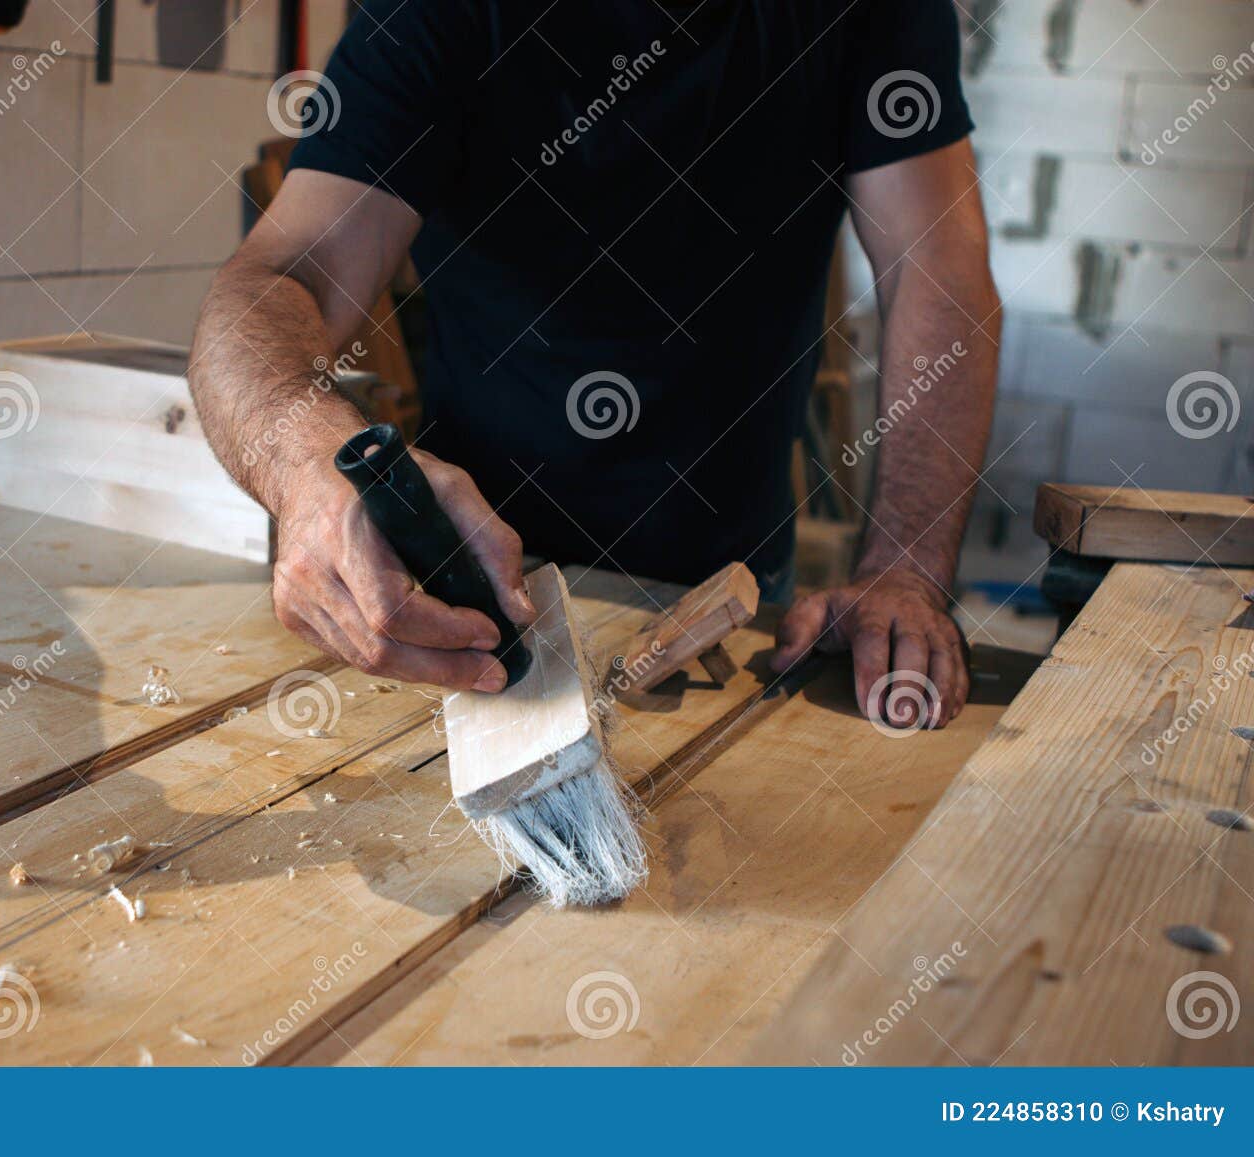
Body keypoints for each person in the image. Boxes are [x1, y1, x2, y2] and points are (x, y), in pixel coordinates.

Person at [189, 0, 999, 729]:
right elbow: (278, 279)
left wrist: (905, 569)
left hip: (731, 591)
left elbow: (939, 275)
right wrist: (307, 466)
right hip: (473, 598)